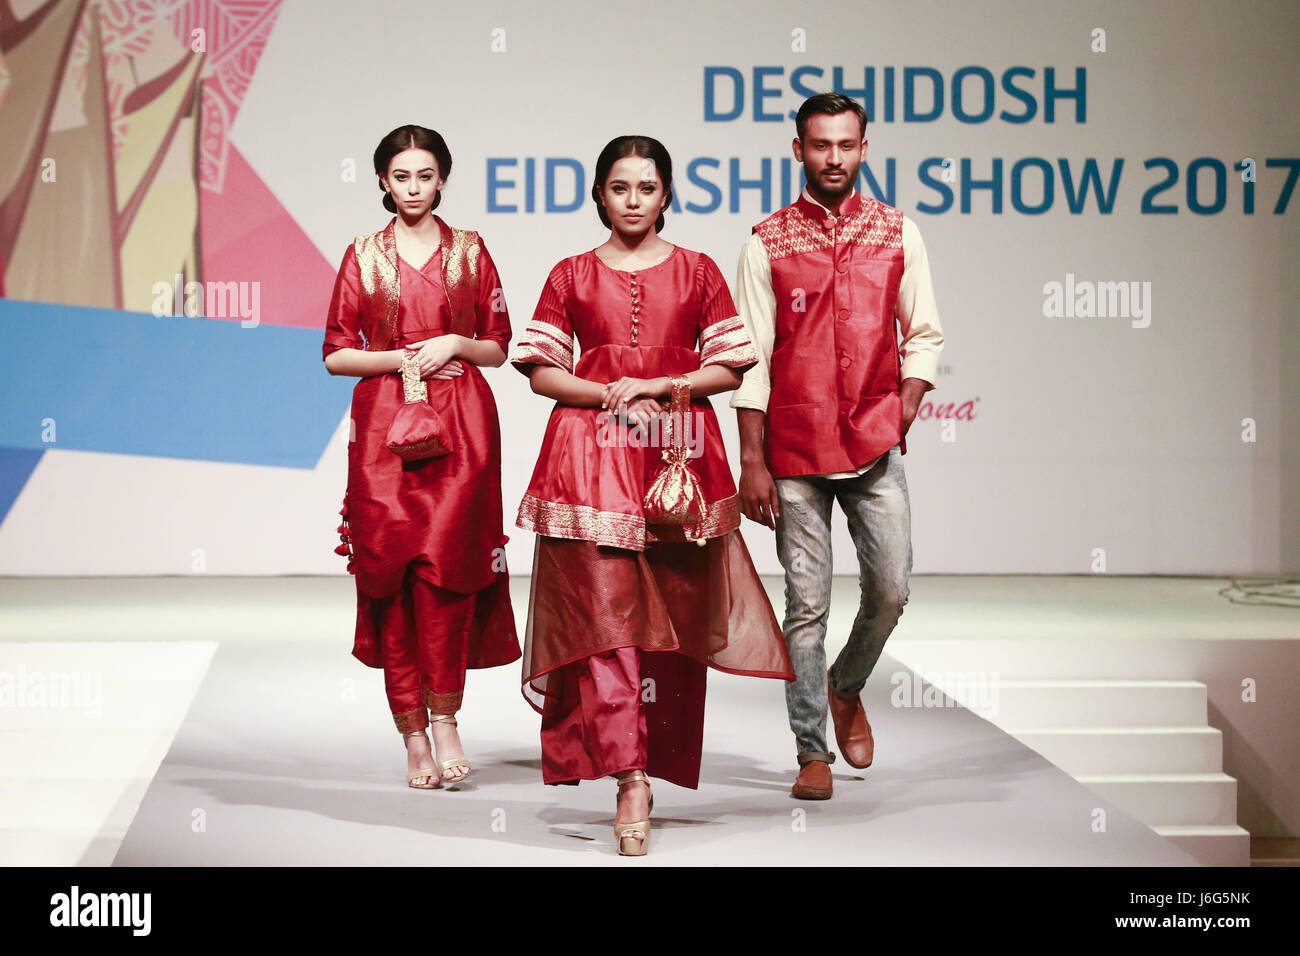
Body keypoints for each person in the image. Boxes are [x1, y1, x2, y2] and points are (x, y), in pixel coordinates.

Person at [511, 135, 794, 855]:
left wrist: (664, 388)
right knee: (605, 623)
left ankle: (650, 758)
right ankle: (628, 775)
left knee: (669, 627)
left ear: (667, 195)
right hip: (590, 459)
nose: (632, 200)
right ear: (599, 195)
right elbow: (541, 370)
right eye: (619, 187)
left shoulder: (698, 272)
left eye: (646, 187)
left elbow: (731, 365)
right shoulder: (571, 274)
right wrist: (612, 395)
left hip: (679, 461)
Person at [731, 93, 945, 800]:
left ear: (863, 149)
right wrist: (752, 460)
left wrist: (905, 403)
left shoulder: (897, 233)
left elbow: (924, 334)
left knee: (891, 590)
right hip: (792, 451)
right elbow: (751, 359)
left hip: (874, 445)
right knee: (806, 606)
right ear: (798, 150)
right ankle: (810, 749)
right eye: (819, 145)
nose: (832, 158)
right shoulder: (767, 241)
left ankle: (845, 686)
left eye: (845, 145)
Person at [322, 125, 520, 790]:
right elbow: (334, 353)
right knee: (392, 578)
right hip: (383, 427)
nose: (413, 188)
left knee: (448, 572)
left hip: (461, 424)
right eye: (400, 176)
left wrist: (455, 344)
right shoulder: (362, 255)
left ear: (441, 180)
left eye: (424, 176)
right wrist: (404, 356)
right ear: (383, 181)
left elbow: (499, 345)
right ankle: (411, 734)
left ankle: (446, 719)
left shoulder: (470, 251)